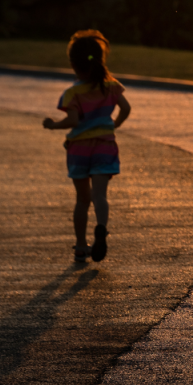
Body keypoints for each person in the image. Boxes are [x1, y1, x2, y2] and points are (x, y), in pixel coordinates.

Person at [43, 30, 131, 263]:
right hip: (105, 146)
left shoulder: (72, 93)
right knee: (100, 196)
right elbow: (126, 108)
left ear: (73, 64)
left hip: (79, 150)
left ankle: (81, 246)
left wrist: (53, 125)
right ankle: (101, 227)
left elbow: (72, 121)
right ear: (100, 60)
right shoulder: (111, 86)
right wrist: (114, 125)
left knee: (82, 199)